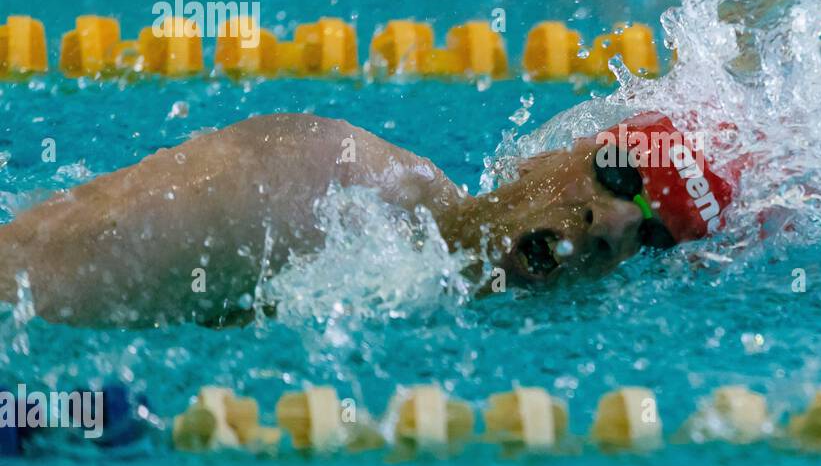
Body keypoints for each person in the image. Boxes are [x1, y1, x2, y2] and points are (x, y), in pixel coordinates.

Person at [0, 111, 736, 328]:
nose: (612, 223)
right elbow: (23, 276)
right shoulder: (322, 184)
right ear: (552, 156)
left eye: (650, 235)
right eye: (617, 176)